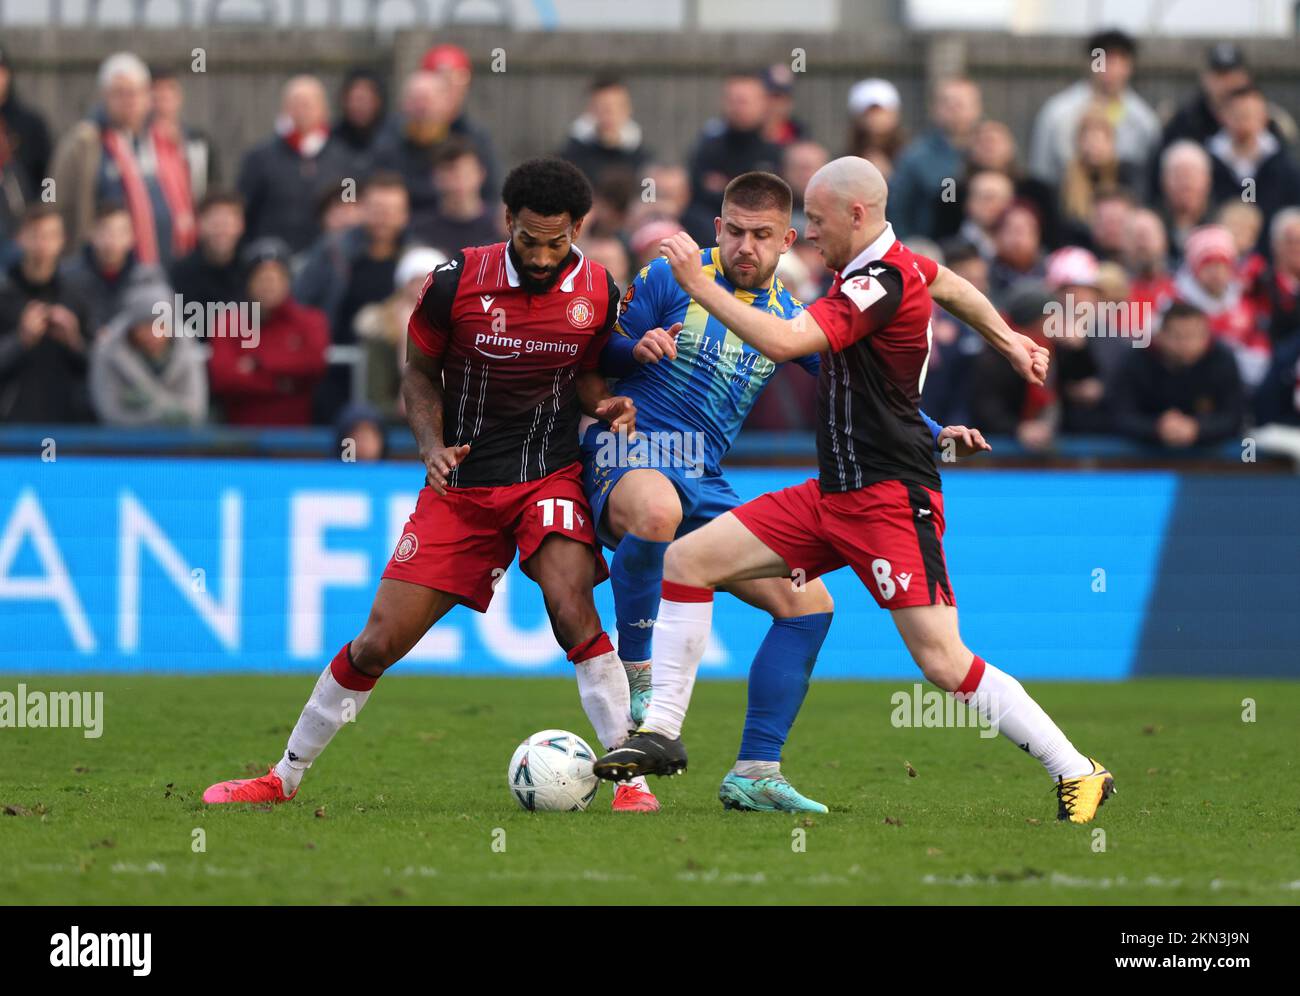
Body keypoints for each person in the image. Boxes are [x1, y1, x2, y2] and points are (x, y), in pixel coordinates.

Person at [593, 156, 1115, 826]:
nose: (806, 234)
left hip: (889, 500)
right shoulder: (895, 267)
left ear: (856, 216)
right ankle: (664, 731)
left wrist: (699, 283)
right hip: (832, 493)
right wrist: (1008, 339)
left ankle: (1077, 770)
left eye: (814, 219)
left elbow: (784, 341)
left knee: (943, 660)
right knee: (689, 563)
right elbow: (951, 282)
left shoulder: (875, 283)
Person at [201, 157, 656, 814]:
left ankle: (630, 783)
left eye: (556, 241)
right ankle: (282, 777)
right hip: (463, 487)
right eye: (529, 239)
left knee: (571, 606)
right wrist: (431, 447)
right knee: (377, 642)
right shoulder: (455, 283)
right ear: (507, 221)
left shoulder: (599, 292)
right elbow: (419, 376)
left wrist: (605, 405)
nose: (541, 253)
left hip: (545, 477)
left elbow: (587, 376)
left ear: (579, 228)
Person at [50, 52, 196, 266]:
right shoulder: (83, 143)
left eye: (136, 92)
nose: (130, 101)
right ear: (104, 96)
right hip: (101, 269)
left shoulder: (165, 141)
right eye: (119, 93)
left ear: (148, 96)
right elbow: (57, 205)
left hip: (169, 264)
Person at [207, 237, 329, 426]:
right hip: (240, 438)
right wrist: (282, 384)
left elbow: (314, 364)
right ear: (249, 282)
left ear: (288, 281)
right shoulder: (229, 322)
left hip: (296, 439)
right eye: (261, 277)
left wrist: (258, 363)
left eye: (276, 277)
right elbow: (224, 378)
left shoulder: (310, 321)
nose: (269, 284)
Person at [237, 76, 356, 253]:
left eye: (309, 104)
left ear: (323, 110)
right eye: (295, 104)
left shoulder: (343, 159)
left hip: (327, 257)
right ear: (284, 109)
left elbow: (353, 208)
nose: (302, 111)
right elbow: (244, 209)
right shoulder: (260, 158)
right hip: (274, 259)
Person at [1028, 29, 1159, 187]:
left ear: (1129, 66)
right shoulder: (1058, 113)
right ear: (1091, 63)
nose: (1110, 69)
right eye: (1103, 60)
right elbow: (1041, 170)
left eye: (1118, 61)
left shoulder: (1143, 120)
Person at [0, 206, 93, 422]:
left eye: (50, 236)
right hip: (10, 430)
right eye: (35, 236)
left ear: (62, 240)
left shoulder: (77, 294)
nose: (42, 245)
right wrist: (21, 340)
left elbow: (99, 368)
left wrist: (74, 341)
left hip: (70, 428)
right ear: (20, 239)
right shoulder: (4, 295)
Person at [1111, 300, 1244, 449]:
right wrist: (1156, 427)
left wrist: (1198, 428)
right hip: (1144, 456)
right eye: (1177, 336)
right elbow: (1120, 415)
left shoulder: (1221, 359)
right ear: (1160, 336)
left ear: (1207, 337)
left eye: (1194, 336)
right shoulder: (1136, 359)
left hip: (1209, 456)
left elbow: (1234, 416)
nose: (1186, 344)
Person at [89, 283, 207, 426]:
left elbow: (195, 411)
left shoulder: (187, 346)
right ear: (132, 328)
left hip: (181, 444)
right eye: (144, 325)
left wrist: (150, 404)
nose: (153, 333)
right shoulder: (108, 349)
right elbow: (110, 412)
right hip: (124, 444)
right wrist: (167, 413)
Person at [889, 78, 981, 240]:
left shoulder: (990, 151)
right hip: (930, 250)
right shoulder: (916, 157)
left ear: (977, 108)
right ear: (934, 109)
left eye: (960, 104)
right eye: (947, 103)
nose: (954, 110)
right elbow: (898, 210)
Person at [557, 74, 651, 187]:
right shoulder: (569, 159)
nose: (610, 114)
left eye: (617, 107)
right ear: (589, 110)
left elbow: (650, 194)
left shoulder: (643, 158)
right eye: (602, 107)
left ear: (628, 110)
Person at [168, 190, 246, 312]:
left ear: (240, 225)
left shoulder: (251, 272)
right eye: (215, 223)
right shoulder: (180, 274)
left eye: (227, 223)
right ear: (199, 225)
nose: (221, 230)